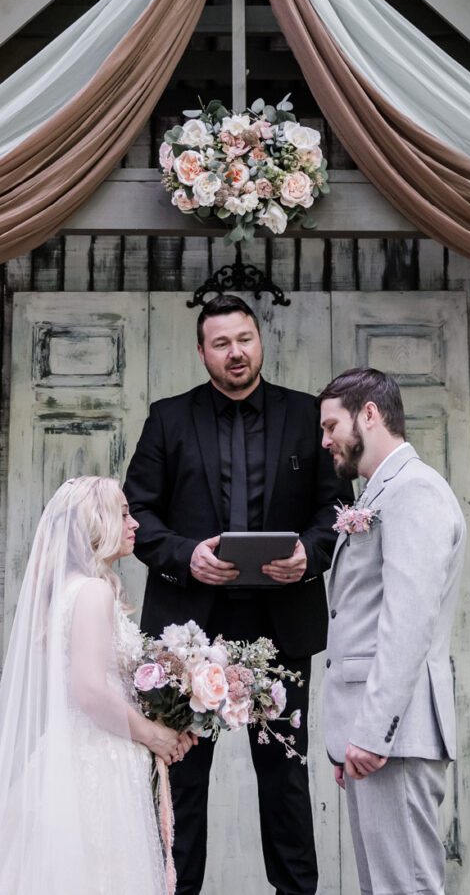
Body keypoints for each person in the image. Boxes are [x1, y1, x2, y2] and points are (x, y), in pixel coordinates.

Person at [123, 294, 351, 895]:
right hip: (188, 637)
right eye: (221, 343)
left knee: (284, 781)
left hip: (281, 631)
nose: (236, 353)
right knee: (184, 780)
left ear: (260, 341)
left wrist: (310, 554)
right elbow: (138, 513)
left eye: (244, 339)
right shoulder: (167, 418)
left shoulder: (308, 416)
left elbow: (338, 507)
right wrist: (185, 557)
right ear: (202, 352)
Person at [0, 476, 193, 894]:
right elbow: (87, 690)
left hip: (77, 751)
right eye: (122, 514)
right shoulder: (92, 593)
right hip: (96, 759)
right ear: (95, 523)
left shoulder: (67, 591)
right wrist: (154, 735)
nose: (134, 523)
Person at [317, 368, 467, 895]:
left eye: (331, 425)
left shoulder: (414, 491)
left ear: (371, 414)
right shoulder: (380, 493)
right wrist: (348, 736)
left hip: (394, 736)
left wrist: (372, 732)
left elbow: (408, 620)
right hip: (376, 738)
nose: (325, 439)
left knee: (406, 887)